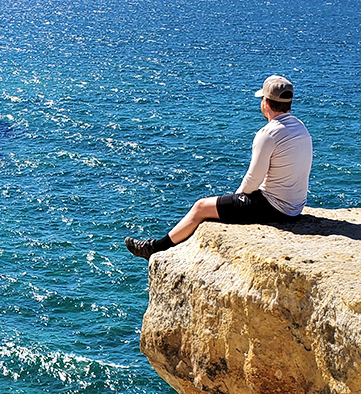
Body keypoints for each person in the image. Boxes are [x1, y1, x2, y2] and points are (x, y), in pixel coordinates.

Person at [125, 75, 312, 260]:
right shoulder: (300, 127)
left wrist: (237, 199)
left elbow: (253, 180)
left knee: (200, 207)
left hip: (276, 208)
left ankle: (155, 248)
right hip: (296, 207)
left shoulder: (268, 133)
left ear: (265, 103)